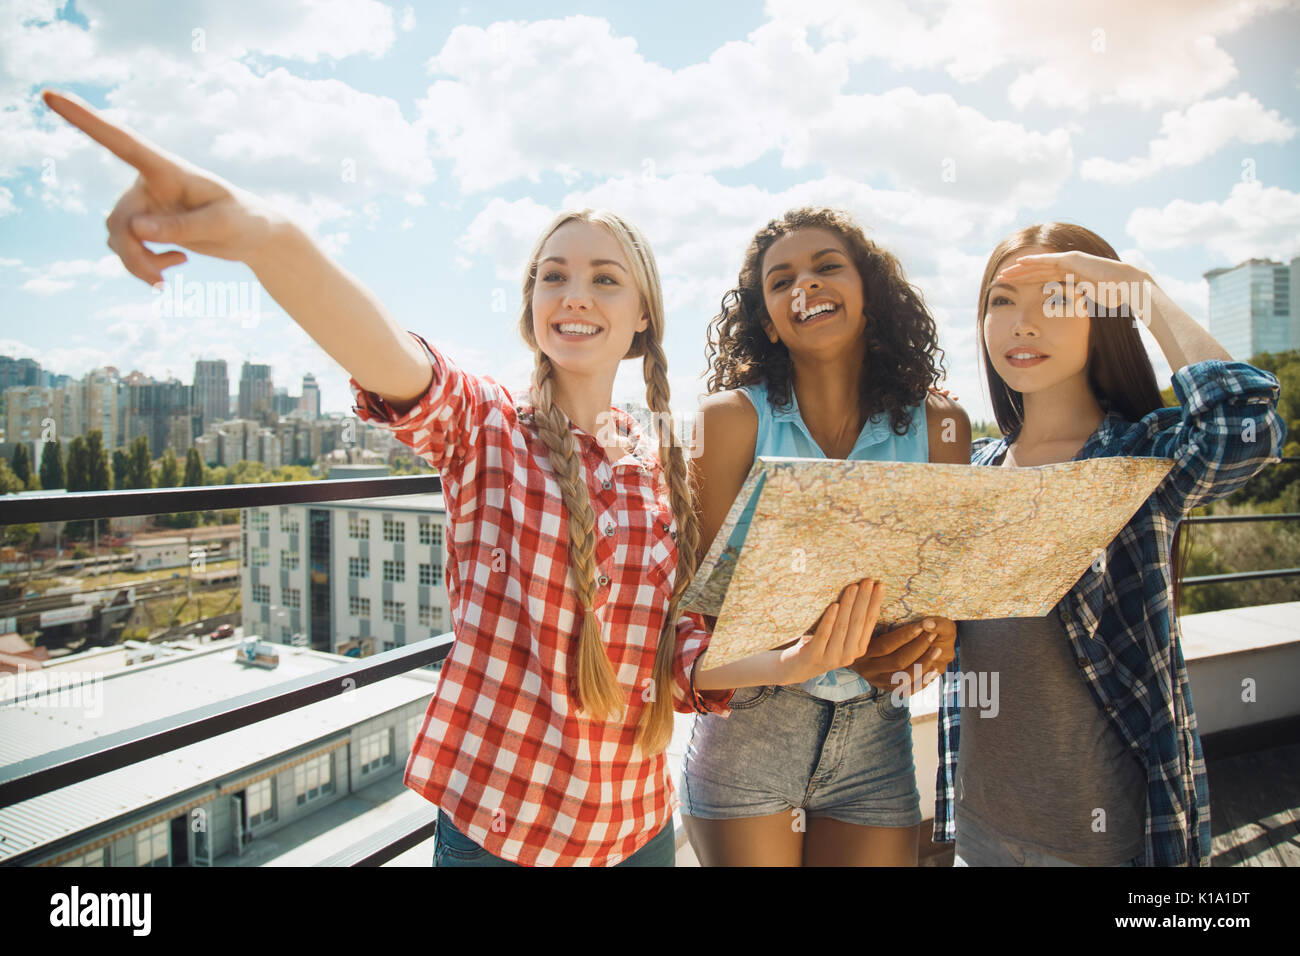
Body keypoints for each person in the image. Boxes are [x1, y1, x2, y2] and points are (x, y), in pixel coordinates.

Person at [41, 90, 888, 866]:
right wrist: (269, 238)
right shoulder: (489, 430)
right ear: (530, 310)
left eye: (604, 278)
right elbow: (389, 353)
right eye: (553, 275)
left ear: (640, 323)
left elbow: (677, 660)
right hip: (498, 833)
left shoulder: (663, 463)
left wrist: (785, 660)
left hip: (636, 835)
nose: (574, 294)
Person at [938, 222, 1286, 867]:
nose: (1023, 323)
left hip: (1104, 842)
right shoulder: (973, 471)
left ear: (1105, 315)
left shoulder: (1136, 457)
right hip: (980, 833)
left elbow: (1247, 428)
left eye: (1057, 298)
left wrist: (1143, 292)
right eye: (1002, 300)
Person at [682, 207, 969, 866]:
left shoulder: (941, 425)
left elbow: (943, 591)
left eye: (826, 268)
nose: (803, 288)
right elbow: (703, 607)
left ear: (871, 294)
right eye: (780, 281)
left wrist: (934, 637)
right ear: (767, 321)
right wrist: (838, 651)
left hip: (876, 731)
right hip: (751, 725)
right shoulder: (725, 423)